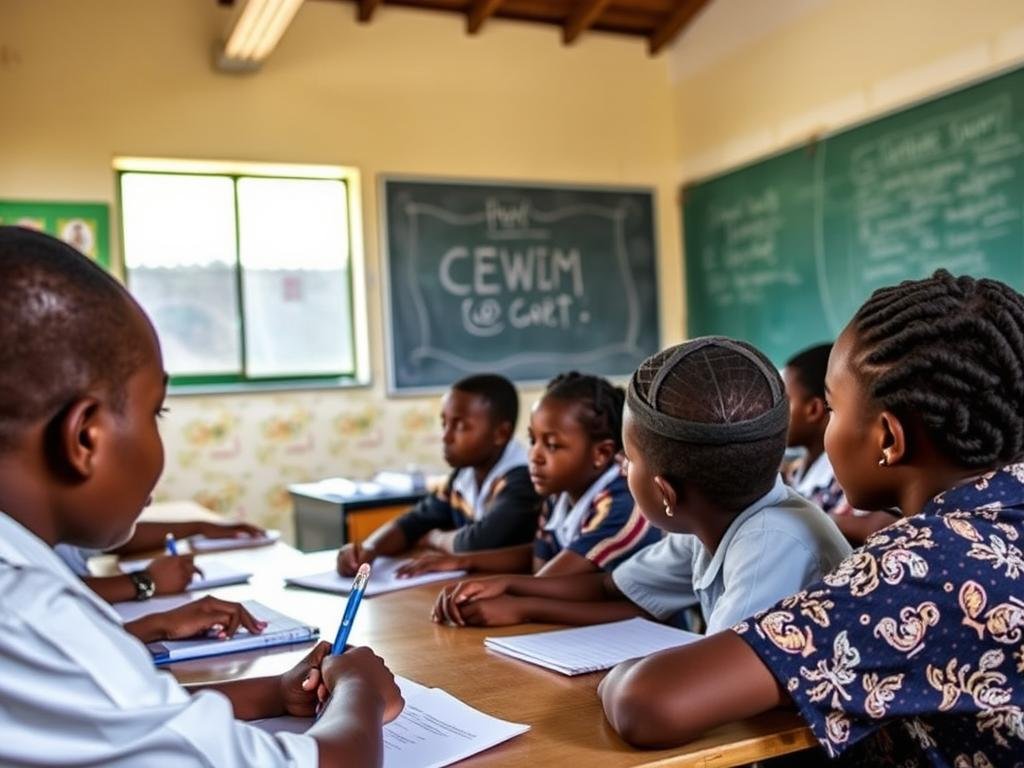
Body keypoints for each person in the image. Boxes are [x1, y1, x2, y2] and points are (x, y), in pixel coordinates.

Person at [0, 226, 403, 767]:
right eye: (156, 412)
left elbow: (104, 714)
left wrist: (271, 691)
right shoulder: (32, 615)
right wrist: (361, 691)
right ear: (86, 438)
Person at [598, 270, 1024, 768]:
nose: (826, 427)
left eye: (834, 408)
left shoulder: (916, 568)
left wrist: (611, 675)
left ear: (889, 439)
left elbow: (648, 703)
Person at [431, 338, 850, 631]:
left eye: (628, 460)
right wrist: (514, 591)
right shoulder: (709, 523)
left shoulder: (769, 543)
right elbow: (612, 588)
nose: (621, 467)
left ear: (666, 493)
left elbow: (708, 677)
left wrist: (524, 604)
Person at [398, 372, 658, 578]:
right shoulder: (557, 494)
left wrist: (501, 588)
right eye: (533, 440)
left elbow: (549, 581)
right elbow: (540, 563)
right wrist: (463, 561)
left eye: (552, 445)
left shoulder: (621, 502)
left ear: (601, 453)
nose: (534, 455)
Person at [337, 374, 541, 576]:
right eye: (444, 423)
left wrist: (435, 538)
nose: (445, 436)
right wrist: (370, 548)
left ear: (501, 434)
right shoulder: (464, 474)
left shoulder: (524, 479)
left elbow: (478, 543)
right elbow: (414, 521)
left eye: (460, 426)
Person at [784, 342, 898, 545]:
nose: (776, 414)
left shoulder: (853, 480)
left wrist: (823, 522)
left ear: (814, 409)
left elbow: (882, 528)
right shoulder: (793, 473)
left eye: (785, 402)